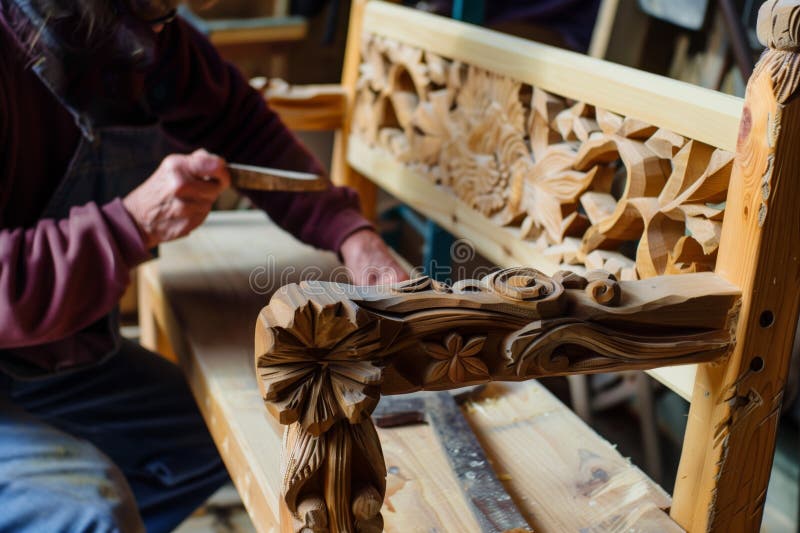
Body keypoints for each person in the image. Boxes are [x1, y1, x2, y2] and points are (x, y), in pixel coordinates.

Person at [0, 0, 408, 531]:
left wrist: (352, 234)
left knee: (224, 435)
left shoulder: (143, 31)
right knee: (90, 511)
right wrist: (129, 226)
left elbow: (244, 130)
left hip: (50, 353)